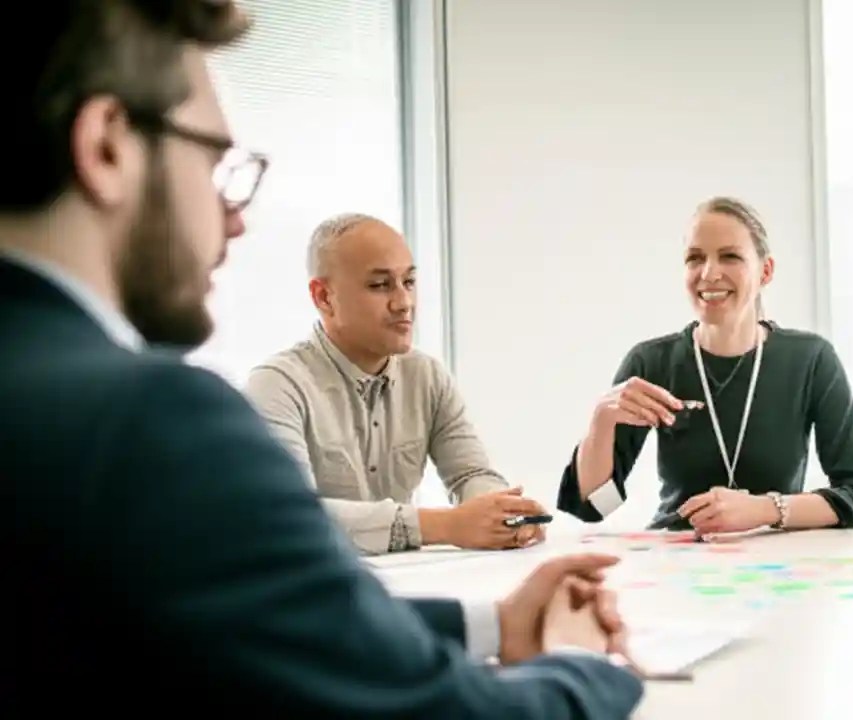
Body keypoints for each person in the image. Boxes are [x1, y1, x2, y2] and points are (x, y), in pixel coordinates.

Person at [1, 3, 641, 717]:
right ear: (109, 146)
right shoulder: (152, 421)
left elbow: (255, 614)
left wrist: (491, 622)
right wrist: (589, 661)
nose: (234, 218)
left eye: (409, 279)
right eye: (218, 165)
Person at [557, 196, 853, 534]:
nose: (708, 273)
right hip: (676, 561)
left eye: (730, 256)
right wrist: (601, 421)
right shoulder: (650, 363)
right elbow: (593, 507)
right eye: (695, 258)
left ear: (765, 271)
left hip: (777, 564)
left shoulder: (811, 359)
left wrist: (764, 509)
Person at [244, 212, 547, 554]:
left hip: (404, 586)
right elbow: (289, 516)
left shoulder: (426, 375)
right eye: (380, 285)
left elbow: (470, 473)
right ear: (324, 297)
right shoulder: (277, 385)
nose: (404, 303)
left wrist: (503, 514)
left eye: (409, 282)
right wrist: (446, 525)